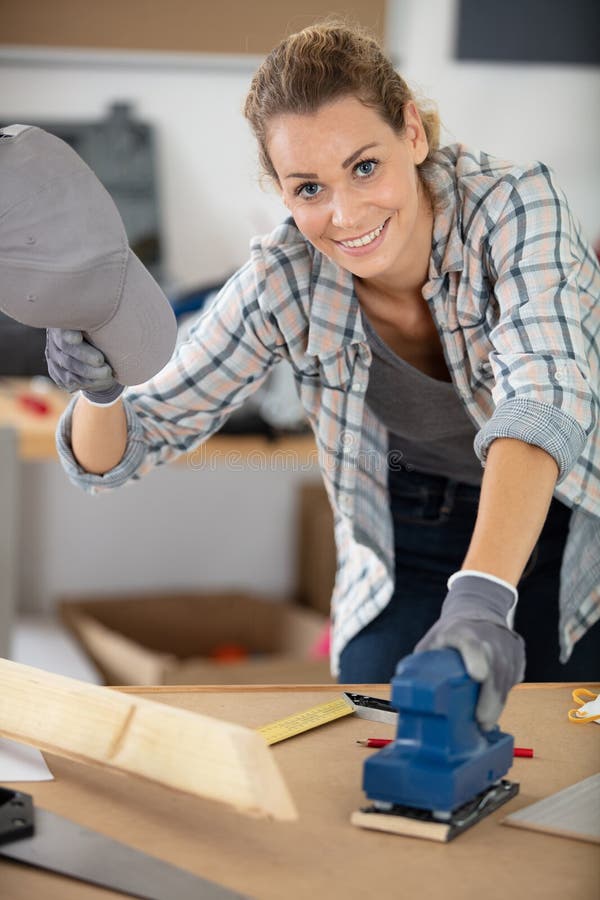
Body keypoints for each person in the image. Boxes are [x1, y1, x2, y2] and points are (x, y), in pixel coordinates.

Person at [49, 22, 599, 731]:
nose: (346, 215)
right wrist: (103, 390)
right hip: (408, 533)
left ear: (412, 133)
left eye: (365, 166)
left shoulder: (517, 210)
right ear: (280, 190)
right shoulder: (286, 279)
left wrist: (481, 599)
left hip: (563, 522)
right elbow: (124, 449)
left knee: (563, 751)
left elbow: (542, 400)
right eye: (309, 187)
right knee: (376, 742)